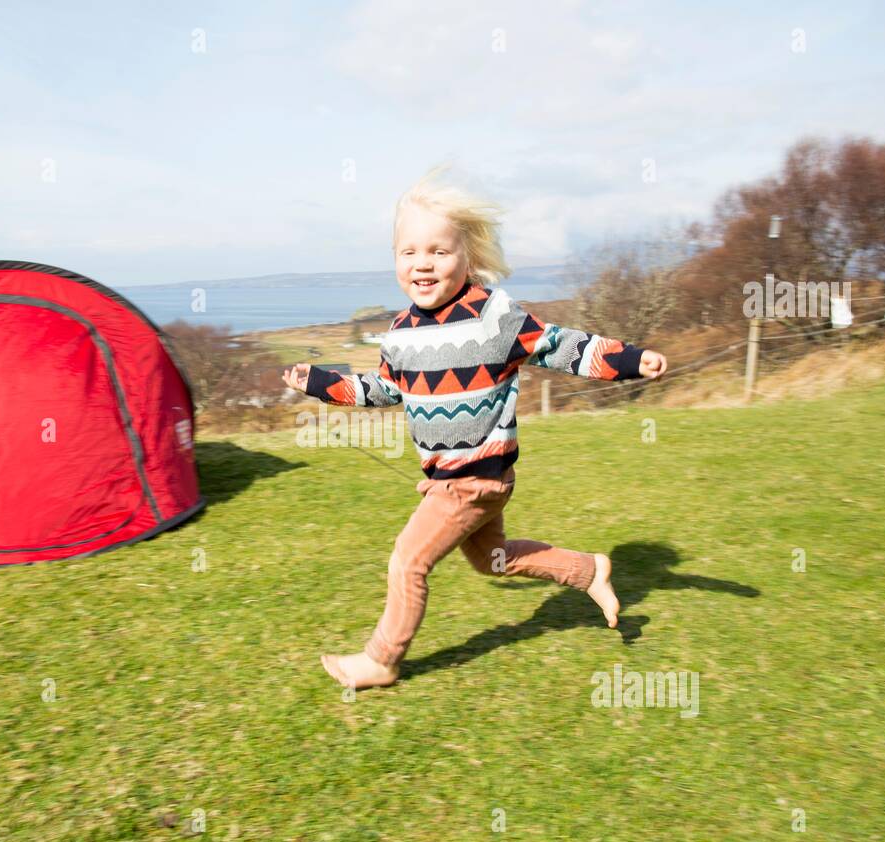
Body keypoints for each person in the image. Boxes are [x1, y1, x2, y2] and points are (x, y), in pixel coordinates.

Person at [282, 169, 669, 690]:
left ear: (469, 256)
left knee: (407, 560)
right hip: (451, 480)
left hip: (474, 480)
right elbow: (385, 388)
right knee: (494, 560)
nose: (422, 263)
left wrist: (629, 360)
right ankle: (587, 570)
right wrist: (321, 383)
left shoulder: (494, 317)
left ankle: (382, 659)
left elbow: (560, 345)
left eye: (438, 252)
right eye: (408, 252)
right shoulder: (399, 332)